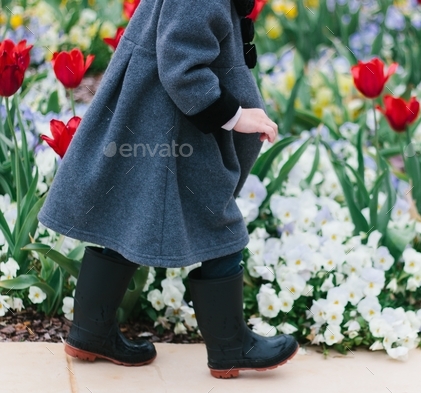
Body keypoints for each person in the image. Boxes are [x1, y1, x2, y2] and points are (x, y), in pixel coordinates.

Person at [37, 0, 298, 379]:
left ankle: (91, 332)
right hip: (177, 126)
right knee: (216, 219)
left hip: (155, 114)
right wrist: (237, 116)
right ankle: (230, 346)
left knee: (129, 209)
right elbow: (182, 66)